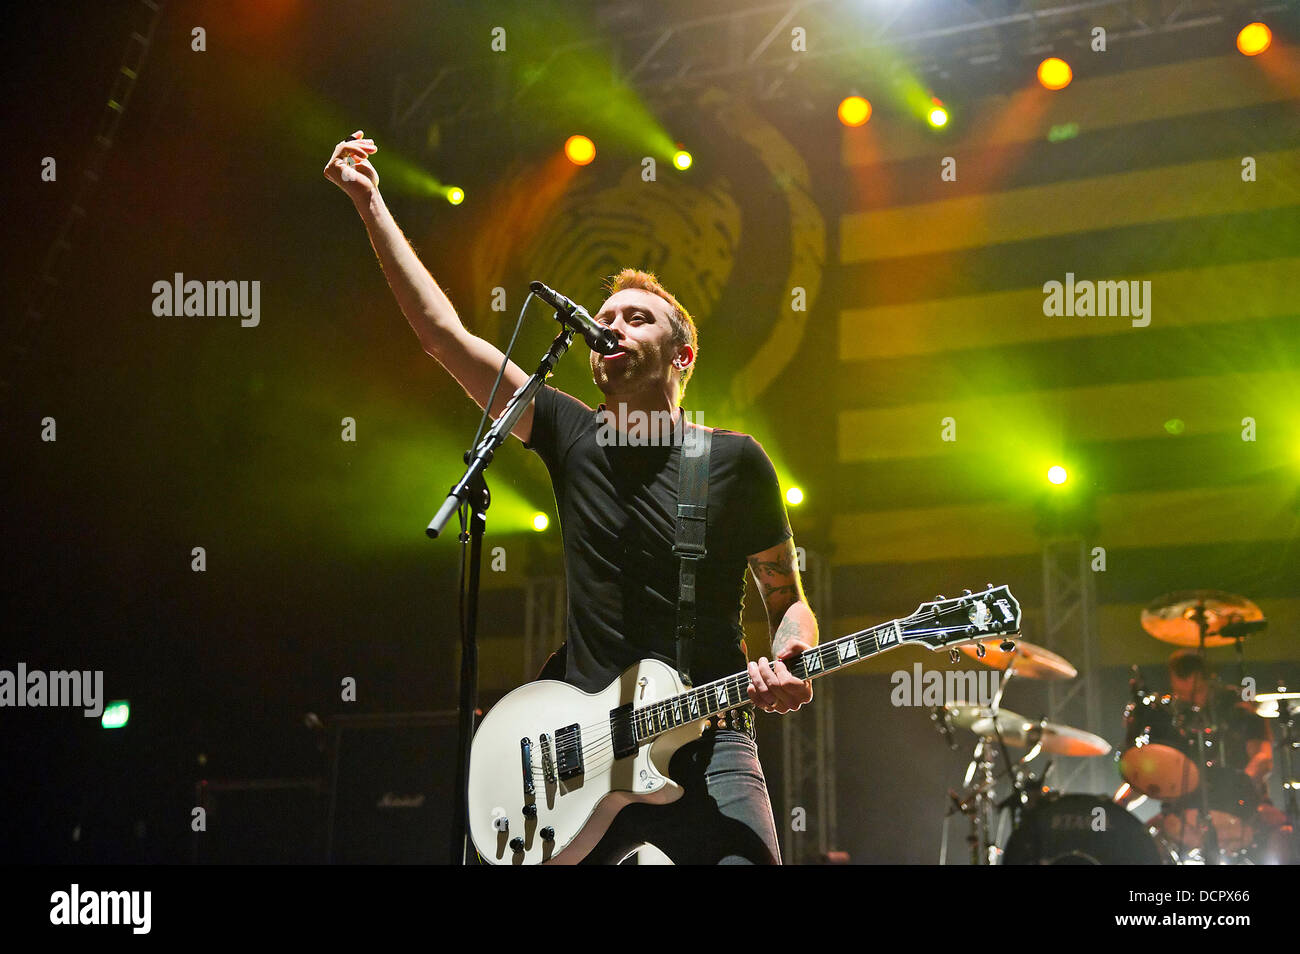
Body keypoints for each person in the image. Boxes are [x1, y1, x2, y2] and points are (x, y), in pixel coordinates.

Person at [324, 131, 819, 864]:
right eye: (606, 317)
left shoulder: (733, 461)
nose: (611, 324)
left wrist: (794, 657)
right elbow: (441, 336)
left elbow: (788, 602)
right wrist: (370, 205)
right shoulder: (570, 429)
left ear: (682, 355)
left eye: (635, 317)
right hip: (579, 753)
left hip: (711, 743)